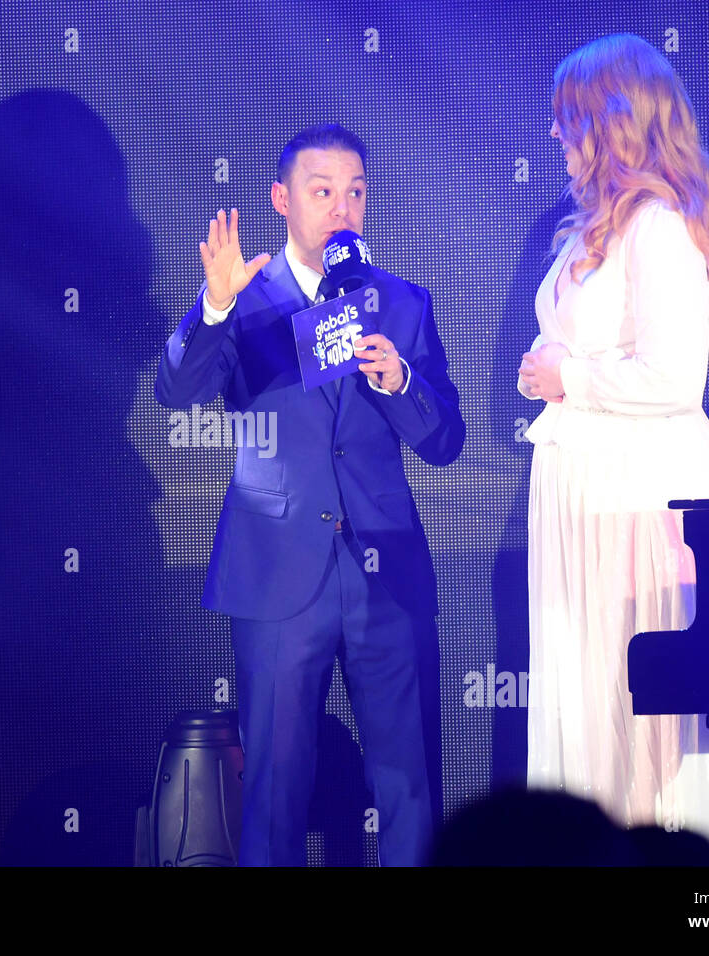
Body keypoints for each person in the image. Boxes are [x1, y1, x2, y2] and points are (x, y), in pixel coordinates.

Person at [155, 124, 465, 865]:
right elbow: (176, 391)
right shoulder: (245, 299)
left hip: (386, 575)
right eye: (322, 191)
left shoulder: (402, 302)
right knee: (275, 792)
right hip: (278, 573)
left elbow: (446, 441)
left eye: (355, 192)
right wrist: (215, 306)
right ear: (282, 199)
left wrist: (399, 381)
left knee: (410, 784)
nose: (341, 207)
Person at [517, 34, 709, 853]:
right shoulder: (592, 228)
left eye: (564, 117)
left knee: (642, 720)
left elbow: (675, 381)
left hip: (636, 503)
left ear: (611, 121)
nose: (552, 135)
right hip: (587, 498)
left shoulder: (659, 226)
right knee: (592, 703)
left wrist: (567, 375)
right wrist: (554, 371)